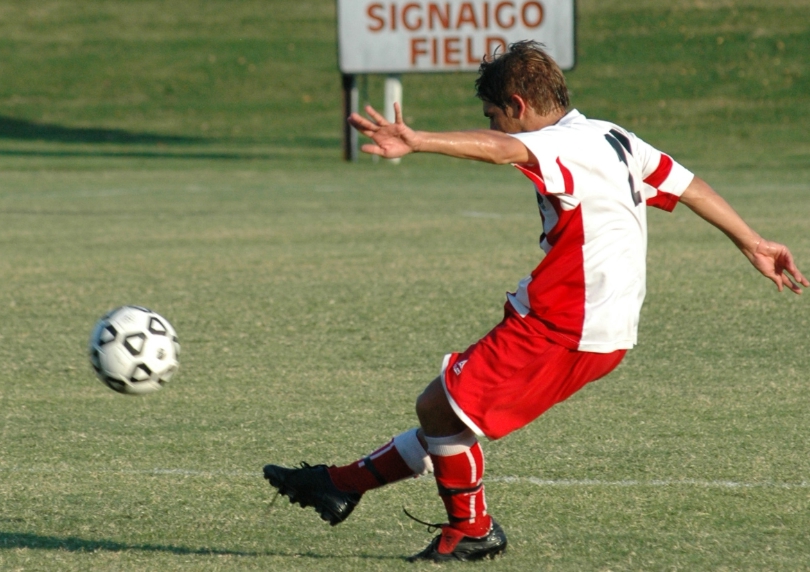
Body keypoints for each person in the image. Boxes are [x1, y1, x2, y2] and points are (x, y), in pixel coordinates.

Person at [263, 41, 808, 563]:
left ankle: (471, 530)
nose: (492, 125)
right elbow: (686, 185)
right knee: (452, 415)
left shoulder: (560, 145)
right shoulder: (612, 136)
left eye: (492, 113)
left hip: (567, 325)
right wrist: (753, 241)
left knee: (439, 408)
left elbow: (505, 149)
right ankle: (340, 485)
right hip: (588, 321)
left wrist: (419, 139)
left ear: (519, 106)